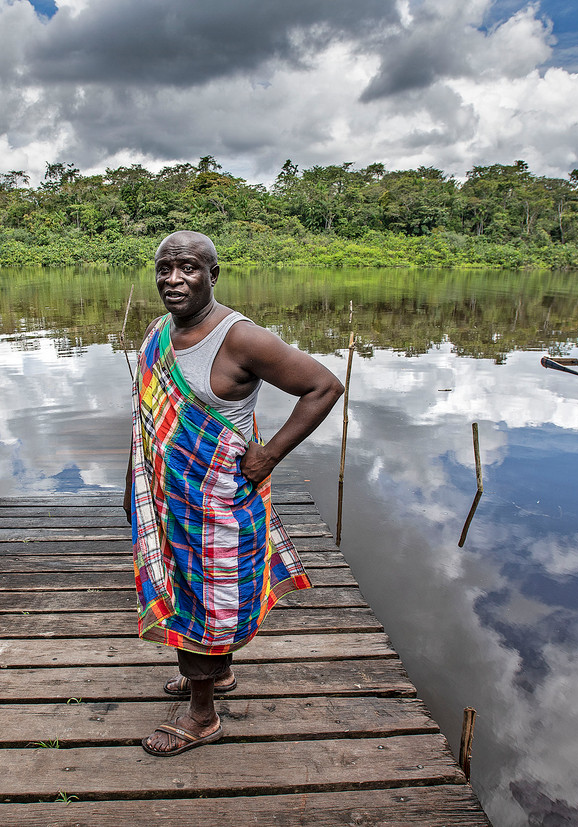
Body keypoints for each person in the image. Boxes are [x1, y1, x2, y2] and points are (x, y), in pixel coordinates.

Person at [123, 230, 344, 756]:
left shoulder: (242, 339)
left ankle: (202, 717)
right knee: (193, 592)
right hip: (165, 495)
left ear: (213, 275)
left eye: (189, 268)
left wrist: (268, 455)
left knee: (201, 600)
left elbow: (324, 386)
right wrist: (130, 485)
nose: (173, 280)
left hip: (217, 501)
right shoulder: (158, 332)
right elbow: (147, 418)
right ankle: (214, 675)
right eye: (165, 268)